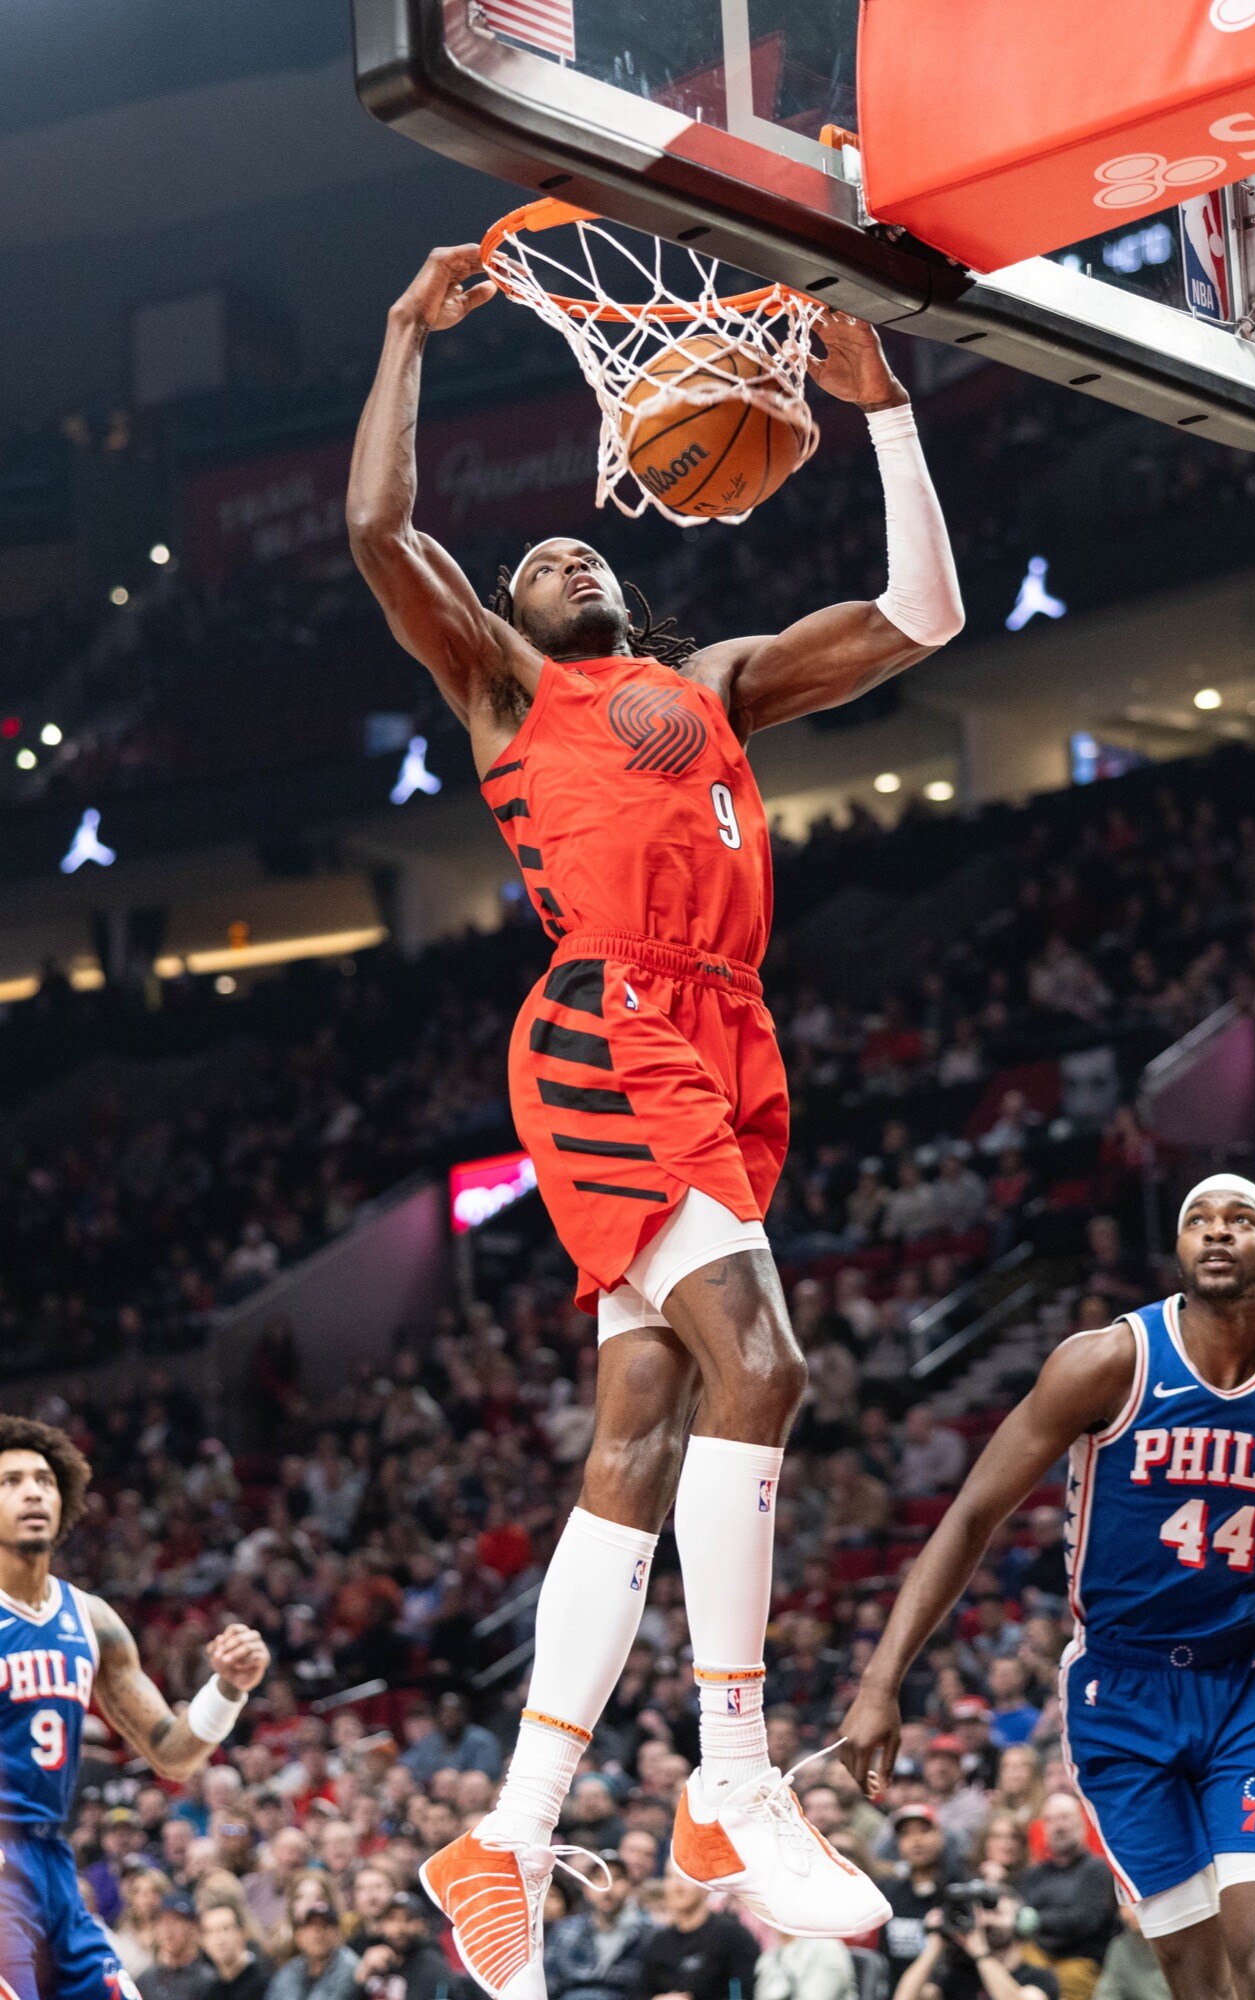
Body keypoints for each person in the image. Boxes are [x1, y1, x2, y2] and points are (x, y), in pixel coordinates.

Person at [348, 241, 964, 1991]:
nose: (556, 554)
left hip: (726, 1036)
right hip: (606, 1023)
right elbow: (385, 537)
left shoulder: (722, 687)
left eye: (578, 546)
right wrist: (406, 334)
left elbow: (925, 619)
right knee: (760, 1364)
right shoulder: (501, 694)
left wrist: (887, 415)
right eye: (530, 563)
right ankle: (733, 1782)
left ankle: (503, 1834)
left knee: (641, 1426)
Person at [842, 1175, 1255, 2000]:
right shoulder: (1106, 1361)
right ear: (1177, 1250)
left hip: (1249, 1685)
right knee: (1200, 1985)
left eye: (1241, 1219)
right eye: (1197, 1221)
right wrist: (880, 1682)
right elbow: (970, 1518)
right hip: (1122, 1695)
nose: (1215, 1232)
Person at [0, 1417, 270, 2000]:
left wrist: (228, 1688)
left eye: (44, 1480)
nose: (31, 1492)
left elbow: (172, 1755)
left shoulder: (91, 1618)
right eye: (10, 1481)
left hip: (50, 1860)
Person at [1018, 1797, 1118, 2000]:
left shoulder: (1098, 1870)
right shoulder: (1033, 1875)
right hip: (1038, 1958)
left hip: (1081, 1963)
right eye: (1051, 1820)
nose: (1058, 1827)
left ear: (1081, 1823)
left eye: (1064, 1818)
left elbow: (1086, 1920)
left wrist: (1037, 1920)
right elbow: (1018, 1917)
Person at [893, 1890, 1059, 2000]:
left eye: (996, 1913)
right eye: (979, 1914)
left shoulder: (1040, 1978)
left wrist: (981, 1953)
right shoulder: (957, 1977)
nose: (984, 1920)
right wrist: (935, 1944)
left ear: (1021, 1923)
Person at [634, 1872, 759, 2000]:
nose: (676, 1886)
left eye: (684, 1877)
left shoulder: (732, 1935)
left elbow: (746, 1992)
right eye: (669, 1876)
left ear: (706, 1886)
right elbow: (639, 1992)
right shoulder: (659, 1940)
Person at [544, 1855, 653, 2000]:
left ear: (631, 1887)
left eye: (617, 1878)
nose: (608, 1887)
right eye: (598, 1877)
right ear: (586, 1888)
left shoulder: (649, 1933)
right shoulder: (565, 1931)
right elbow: (548, 1985)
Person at [882, 1805, 951, 1994]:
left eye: (924, 1830)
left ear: (941, 1836)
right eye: (906, 1834)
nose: (916, 1840)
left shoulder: (956, 1890)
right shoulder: (887, 1896)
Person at [351, 1891, 452, 2000]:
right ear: (381, 1925)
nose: (399, 1927)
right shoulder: (376, 1956)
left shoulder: (431, 1963)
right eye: (392, 1919)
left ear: (422, 1925)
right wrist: (362, 1975)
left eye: (408, 1919)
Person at [265, 1900, 358, 2000]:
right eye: (310, 1925)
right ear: (298, 1935)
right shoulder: (291, 1969)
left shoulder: (349, 1967)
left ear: (338, 1934)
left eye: (325, 1925)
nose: (318, 1931)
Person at [140, 1895, 213, 2000]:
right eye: (162, 1921)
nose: (168, 1929)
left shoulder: (208, 1981)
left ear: (193, 1927)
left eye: (176, 1920)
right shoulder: (146, 1979)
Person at [198, 1903, 272, 2000]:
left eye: (226, 1929)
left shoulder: (266, 1981)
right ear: (203, 1942)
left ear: (243, 1933)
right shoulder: (209, 1991)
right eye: (210, 1931)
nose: (219, 1938)